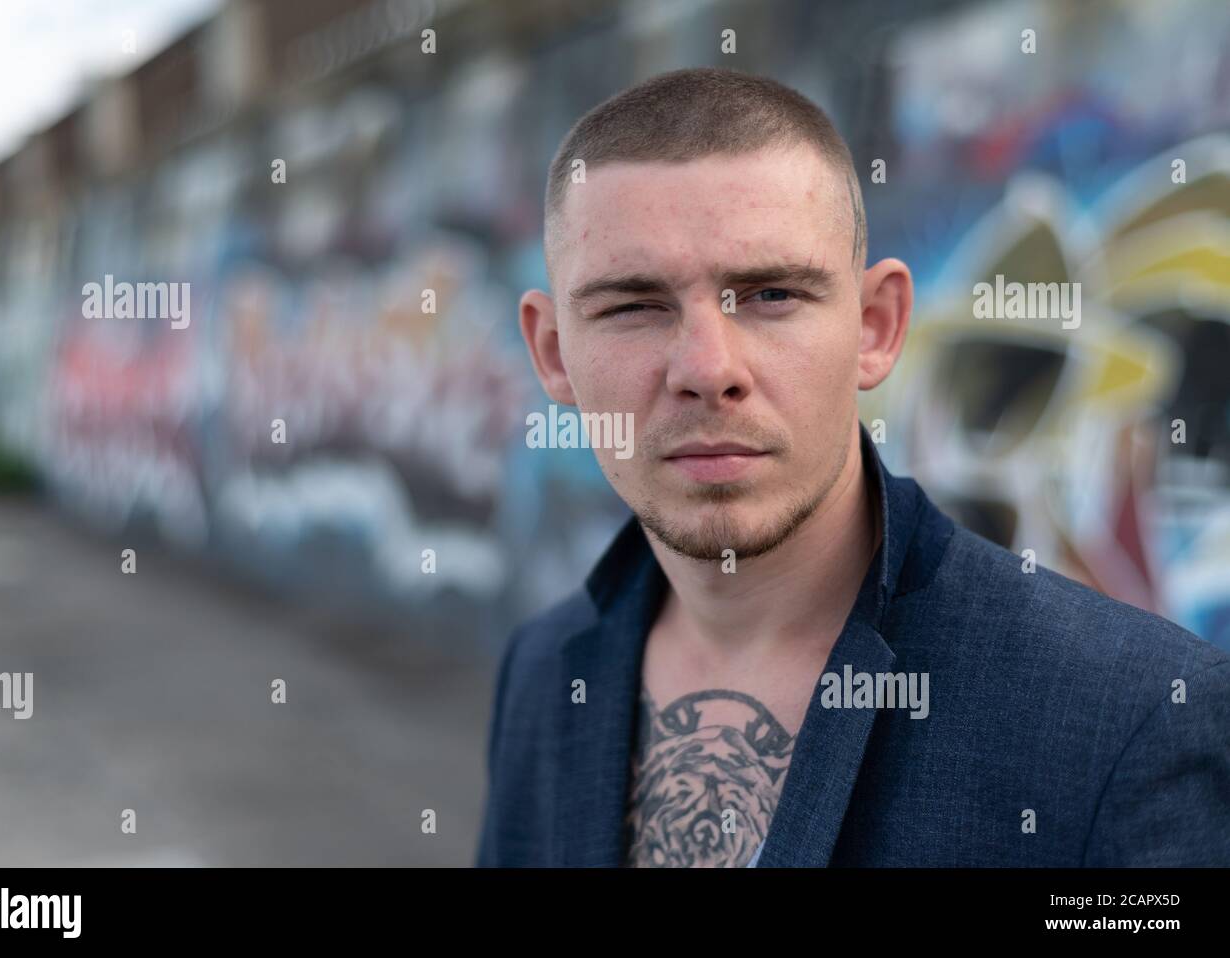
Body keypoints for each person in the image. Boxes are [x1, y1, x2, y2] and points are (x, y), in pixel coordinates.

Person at [475, 66, 1230, 867]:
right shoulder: (543, 670)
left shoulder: (1128, 719)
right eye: (633, 306)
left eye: (770, 295)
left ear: (875, 328)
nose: (707, 367)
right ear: (553, 355)